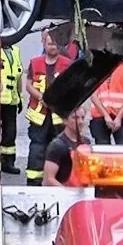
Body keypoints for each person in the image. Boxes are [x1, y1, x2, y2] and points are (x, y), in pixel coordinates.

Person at [24, 29, 74, 185]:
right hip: (39, 114)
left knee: (59, 147)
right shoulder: (35, 62)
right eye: (49, 43)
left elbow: (72, 87)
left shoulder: (67, 64)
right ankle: (34, 182)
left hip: (58, 115)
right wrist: (41, 97)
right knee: (37, 148)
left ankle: (59, 181)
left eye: (55, 43)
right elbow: (28, 85)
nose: (53, 46)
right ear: (43, 44)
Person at [88, 60, 123, 145]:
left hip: (120, 116)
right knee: (102, 148)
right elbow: (93, 95)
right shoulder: (95, 69)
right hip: (100, 115)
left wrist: (118, 117)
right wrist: (106, 116)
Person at [43, 105, 91, 186]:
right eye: (75, 118)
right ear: (65, 120)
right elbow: (48, 179)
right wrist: (67, 193)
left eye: (82, 118)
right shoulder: (57, 146)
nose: (80, 122)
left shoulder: (86, 143)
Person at [0, 44, 24, 175]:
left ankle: (8, 162)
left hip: (12, 99)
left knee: (10, 132)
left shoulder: (15, 51)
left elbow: (19, 77)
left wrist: (20, 98)